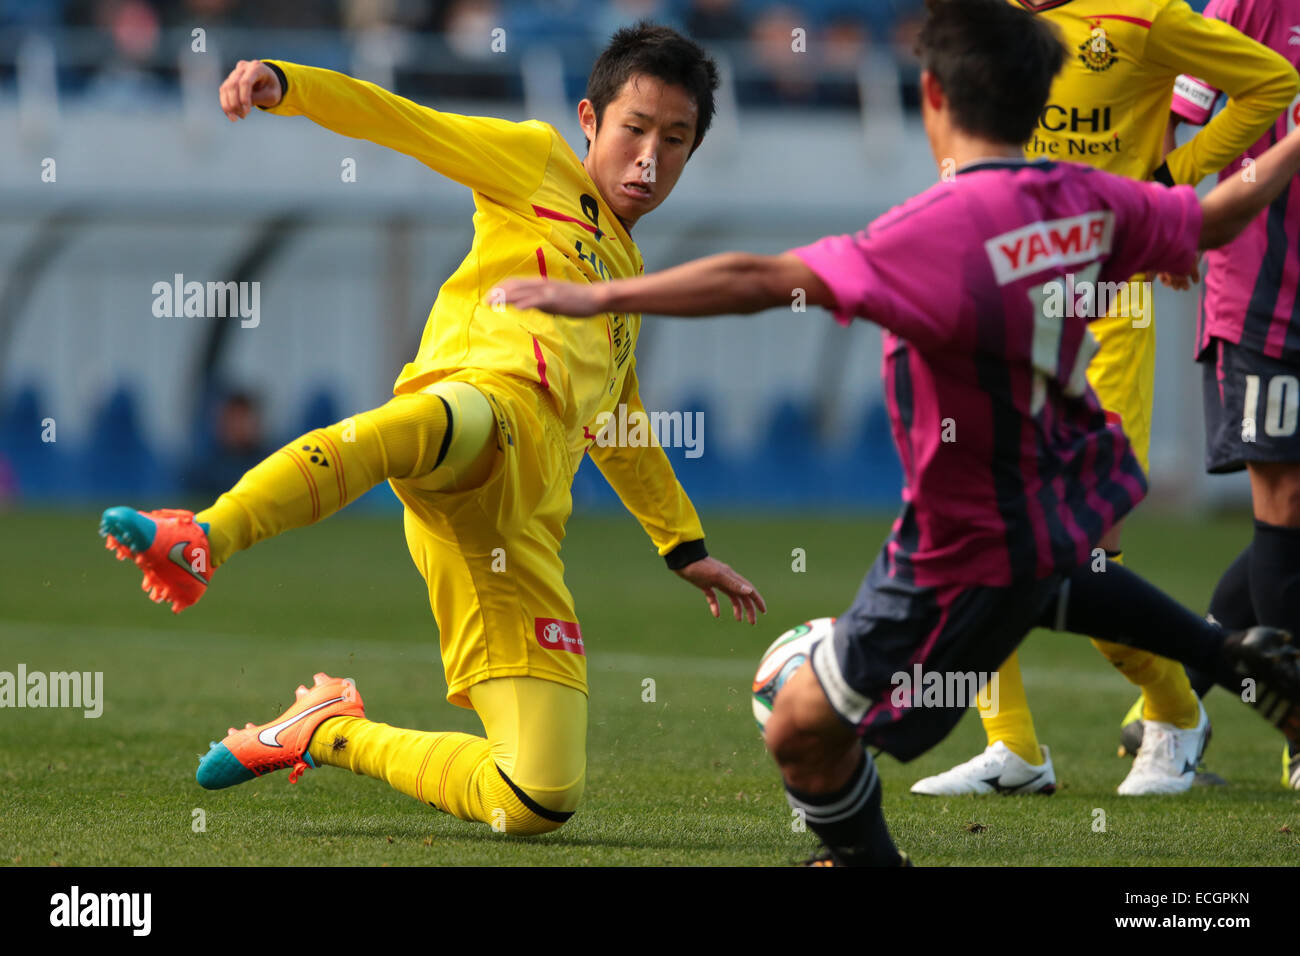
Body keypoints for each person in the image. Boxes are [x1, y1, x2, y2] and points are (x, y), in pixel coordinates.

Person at [497, 0, 1300, 865]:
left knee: (801, 731)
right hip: (1052, 510)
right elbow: (1219, 215)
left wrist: (601, 295)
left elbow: (759, 277)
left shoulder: (932, 231)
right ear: (1041, 107)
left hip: (948, 553)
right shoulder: (1094, 202)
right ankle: (1227, 653)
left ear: (931, 99)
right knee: (1055, 572)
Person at [98, 22, 765, 837]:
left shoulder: (625, 287)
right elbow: (404, 119)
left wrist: (686, 549)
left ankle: (325, 728)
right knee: (444, 422)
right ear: (590, 119)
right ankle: (203, 535)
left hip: (520, 533)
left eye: (675, 139)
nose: (649, 159)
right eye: (635, 129)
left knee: (537, 800)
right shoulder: (535, 162)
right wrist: (287, 82)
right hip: (481, 408)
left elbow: (622, 424)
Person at [908, 0, 1300, 800]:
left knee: (1084, 547)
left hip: (1109, 310)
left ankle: (1175, 708)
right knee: (970, 515)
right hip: (1003, 296)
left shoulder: (1143, 16)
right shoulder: (982, 22)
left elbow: (1272, 82)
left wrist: (1170, 191)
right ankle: (1012, 746)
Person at [1163, 0, 1300, 789]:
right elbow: (1176, 116)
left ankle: (1175, 696)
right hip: (1266, 296)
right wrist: (1168, 217)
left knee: (1291, 521)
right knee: (1282, 499)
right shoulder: (1250, 2)